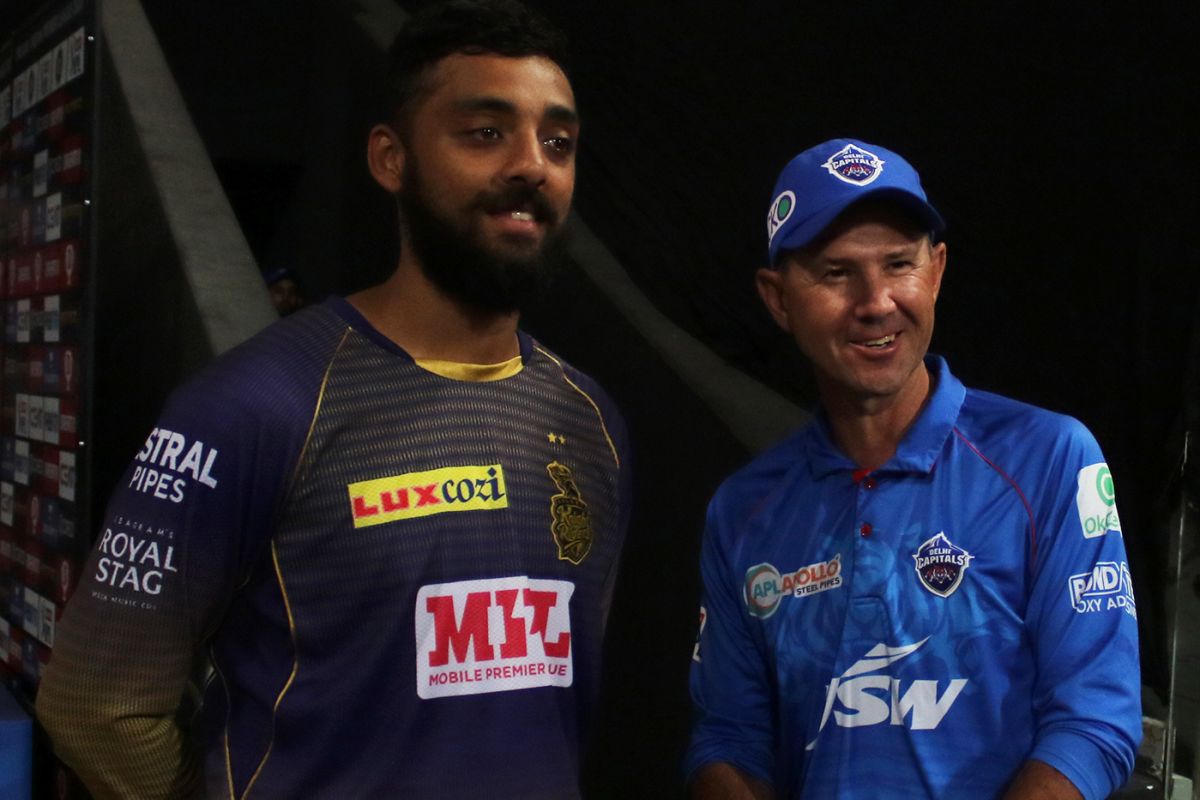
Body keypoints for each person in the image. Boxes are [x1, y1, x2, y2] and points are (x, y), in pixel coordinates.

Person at [37, 2, 631, 798]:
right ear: (391, 159)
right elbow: (93, 706)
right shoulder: (255, 403)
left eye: (557, 142)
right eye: (485, 132)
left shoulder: (588, 420)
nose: (531, 164)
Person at [685, 139, 1140, 799]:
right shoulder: (742, 510)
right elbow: (728, 735)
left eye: (899, 264)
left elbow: (1096, 720)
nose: (876, 301)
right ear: (778, 299)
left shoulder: (1051, 457)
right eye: (837, 272)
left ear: (938, 270)